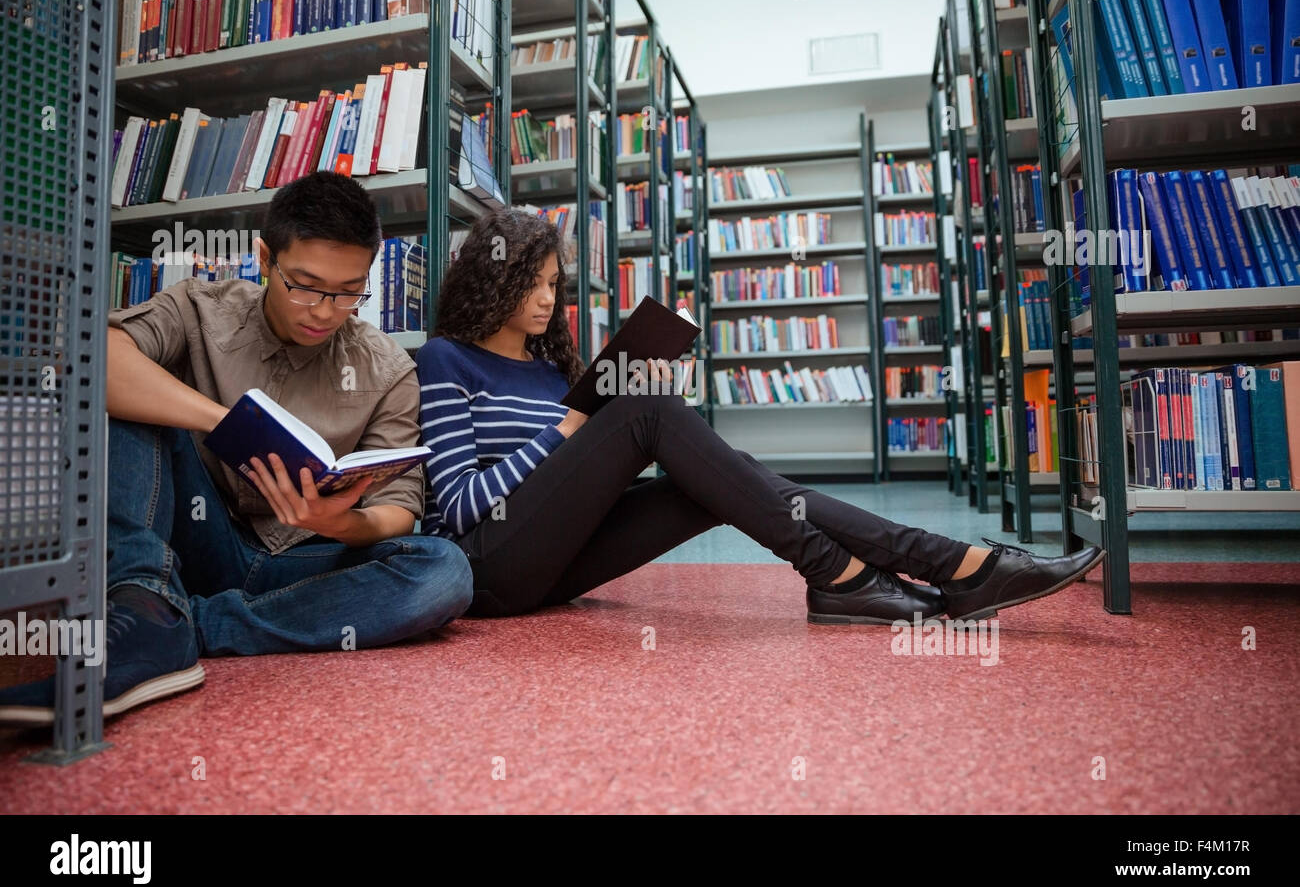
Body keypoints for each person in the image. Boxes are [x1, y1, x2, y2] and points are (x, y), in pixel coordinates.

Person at [416, 208, 1103, 623]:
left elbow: (577, 495)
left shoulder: (549, 369)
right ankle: (918, 566)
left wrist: (610, 436)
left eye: (552, 286)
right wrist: (571, 428)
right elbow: (460, 508)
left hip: (554, 568)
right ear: (491, 278)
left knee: (715, 480)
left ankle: (892, 571)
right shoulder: (447, 361)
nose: (545, 300)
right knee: (652, 410)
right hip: (489, 572)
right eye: (530, 284)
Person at [0, 172, 472, 726]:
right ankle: (144, 597)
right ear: (265, 258)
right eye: (304, 284)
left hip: (303, 560)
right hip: (194, 539)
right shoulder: (200, 309)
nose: (324, 310)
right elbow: (90, 362)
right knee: (131, 400)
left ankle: (179, 626)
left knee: (444, 571)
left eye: (349, 292)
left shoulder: (389, 367)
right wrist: (224, 421)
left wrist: (338, 522)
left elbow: (400, 508)